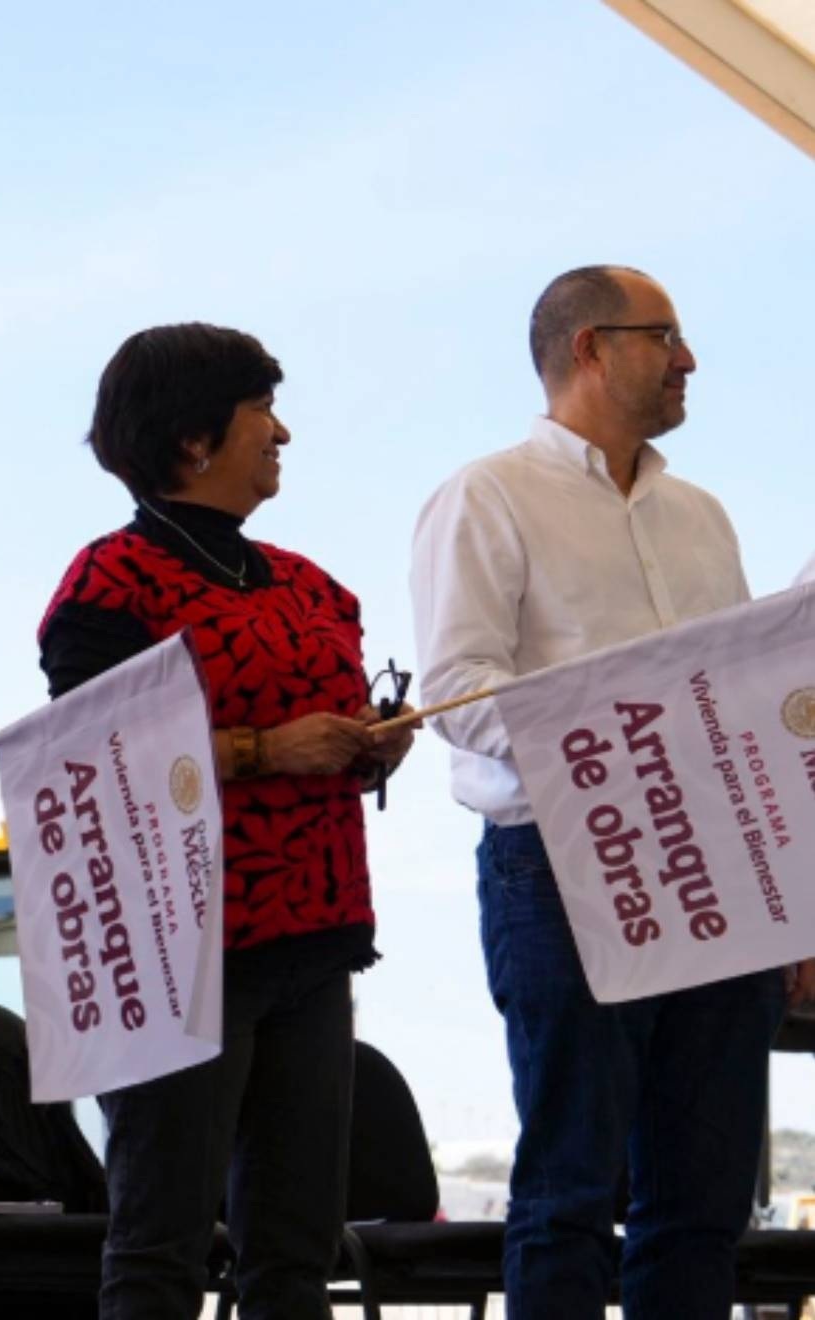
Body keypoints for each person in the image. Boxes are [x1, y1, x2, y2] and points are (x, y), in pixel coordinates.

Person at [411, 265, 811, 1318]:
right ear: (588, 347)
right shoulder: (487, 495)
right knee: (572, 1190)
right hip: (564, 861)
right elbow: (454, 694)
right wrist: (614, 745)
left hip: (719, 873)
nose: (688, 360)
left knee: (705, 1201)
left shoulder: (702, 516)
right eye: (664, 335)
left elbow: (733, 702)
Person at [38, 322, 412, 1318]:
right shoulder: (110, 583)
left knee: (295, 1251)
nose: (282, 432)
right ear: (195, 436)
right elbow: (89, 764)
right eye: (262, 411)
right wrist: (271, 750)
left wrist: (373, 737)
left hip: (315, 937)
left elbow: (313, 723)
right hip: (176, 950)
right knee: (161, 1239)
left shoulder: (314, 586)